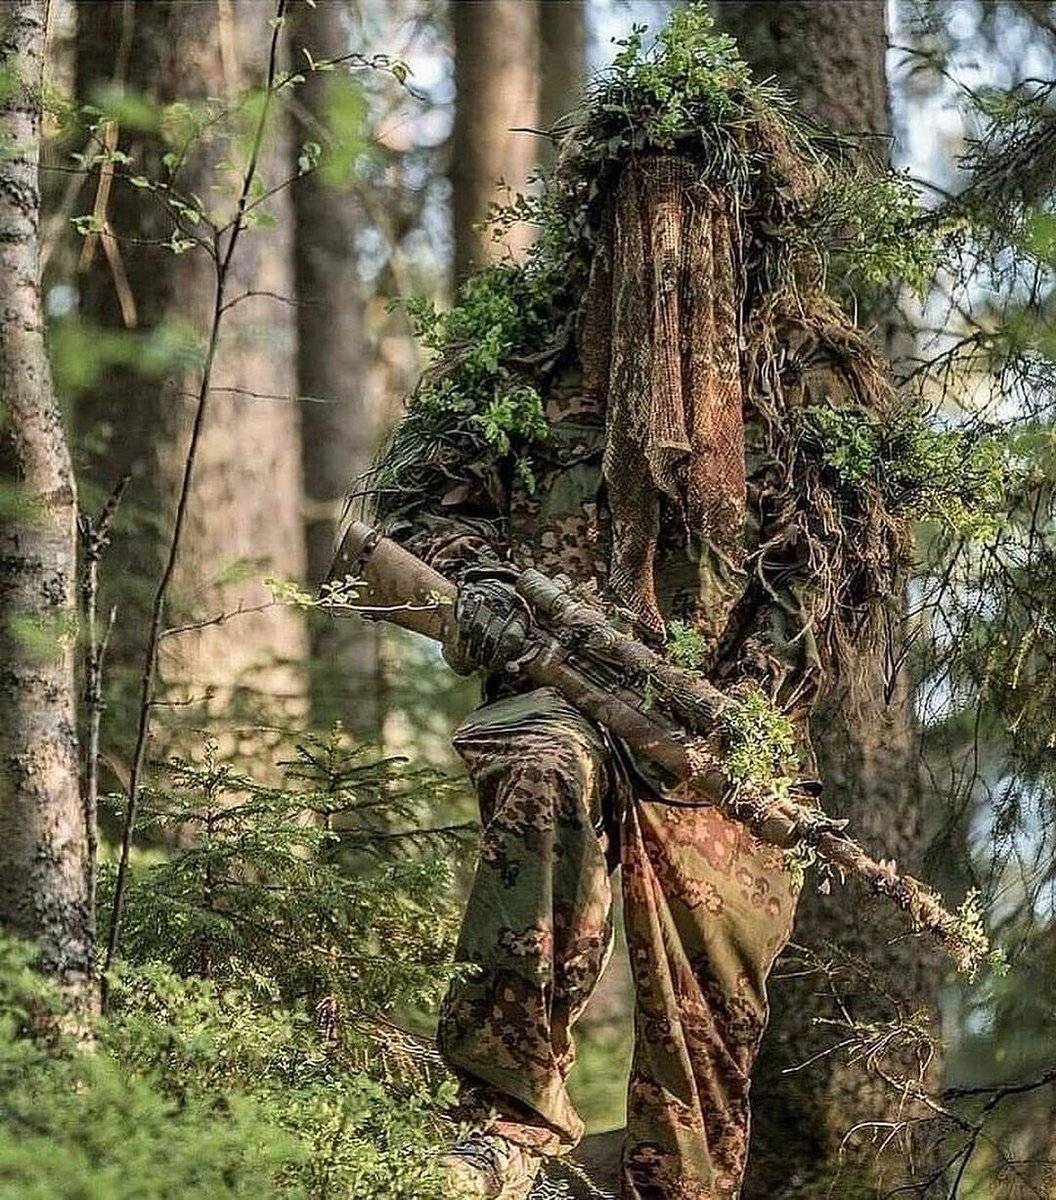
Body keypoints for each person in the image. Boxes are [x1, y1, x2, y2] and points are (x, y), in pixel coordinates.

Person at [369, 53, 905, 1200]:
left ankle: (674, 1179)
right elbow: (411, 519)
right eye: (638, 205)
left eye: (693, 207)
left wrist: (739, 711)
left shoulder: (807, 378)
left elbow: (834, 573)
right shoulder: (522, 356)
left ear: (746, 217)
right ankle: (504, 1114)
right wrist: (488, 603)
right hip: (555, 694)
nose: (666, 241)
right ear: (597, 215)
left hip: (724, 747)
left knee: (702, 1054)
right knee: (544, 763)